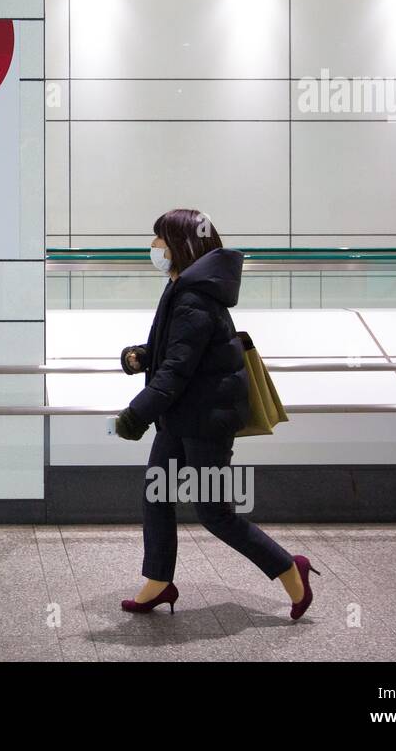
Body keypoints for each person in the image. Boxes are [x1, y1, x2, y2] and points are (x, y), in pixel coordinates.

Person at [113, 208, 318, 620]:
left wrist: (135, 415)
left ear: (181, 247)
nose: (154, 248)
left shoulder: (194, 297)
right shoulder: (182, 288)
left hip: (207, 421)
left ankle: (288, 568)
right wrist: (139, 355)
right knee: (157, 495)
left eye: (161, 240)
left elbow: (178, 369)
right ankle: (158, 582)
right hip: (181, 417)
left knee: (214, 513)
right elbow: (174, 351)